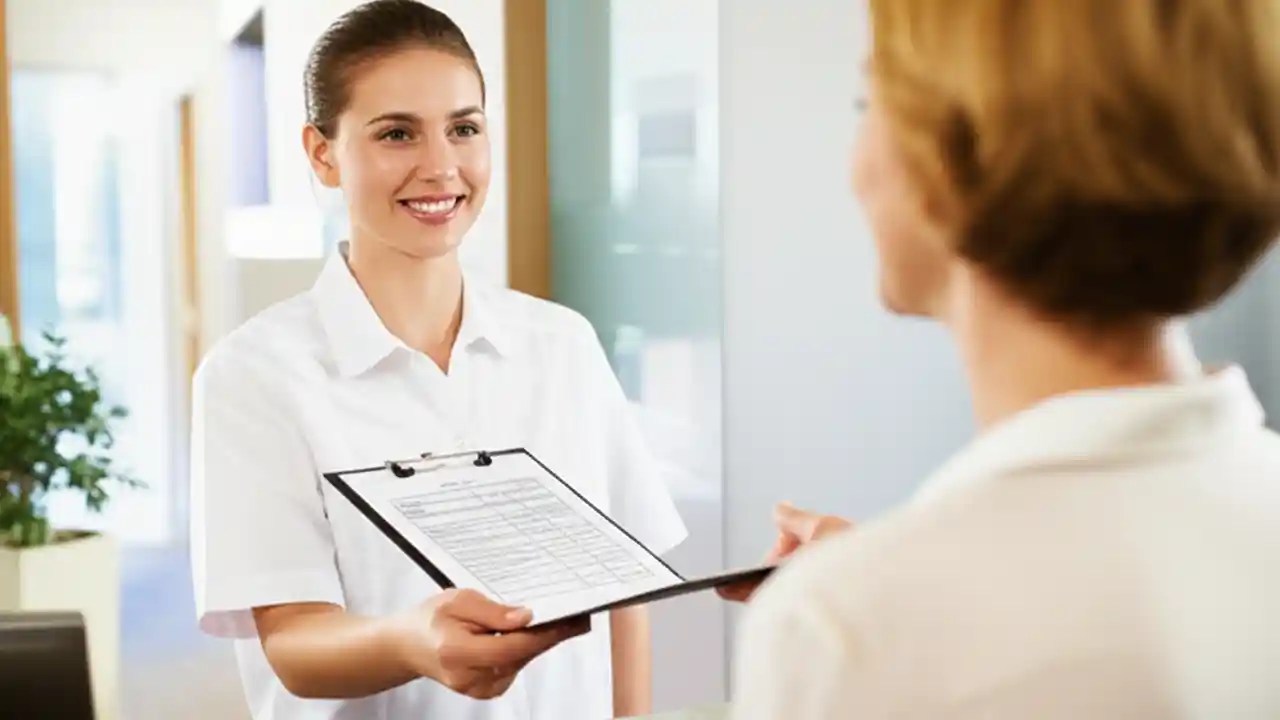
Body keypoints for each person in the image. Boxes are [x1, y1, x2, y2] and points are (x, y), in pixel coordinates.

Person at [726, 0, 1280, 718]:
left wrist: (878, 606)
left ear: (954, 160)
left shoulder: (841, 629)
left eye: (870, 102)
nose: (854, 163)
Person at [189, 2, 687, 718]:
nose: (441, 166)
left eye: (464, 128)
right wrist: (411, 642)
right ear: (323, 153)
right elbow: (293, 644)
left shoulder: (563, 345)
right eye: (397, 133)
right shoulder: (254, 376)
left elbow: (625, 597)